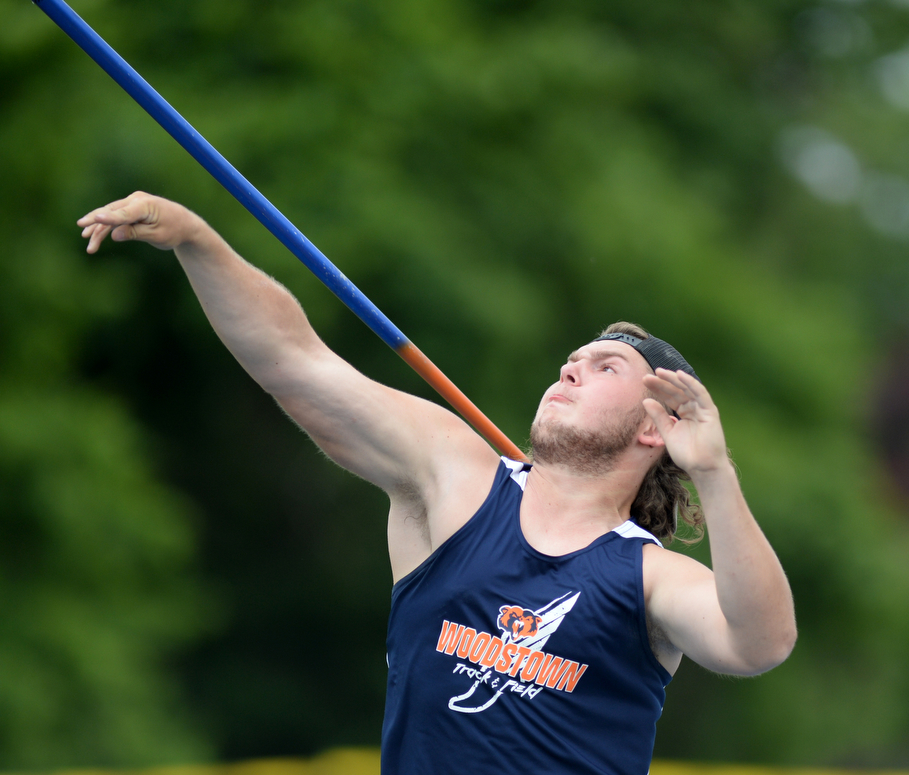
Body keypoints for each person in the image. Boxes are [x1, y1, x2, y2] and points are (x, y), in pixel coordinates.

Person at [77, 191, 797, 775]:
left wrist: (714, 470)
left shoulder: (648, 577)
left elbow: (759, 641)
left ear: (655, 428)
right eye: (571, 359)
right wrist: (197, 239)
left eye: (606, 367)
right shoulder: (454, 475)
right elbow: (297, 362)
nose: (570, 368)